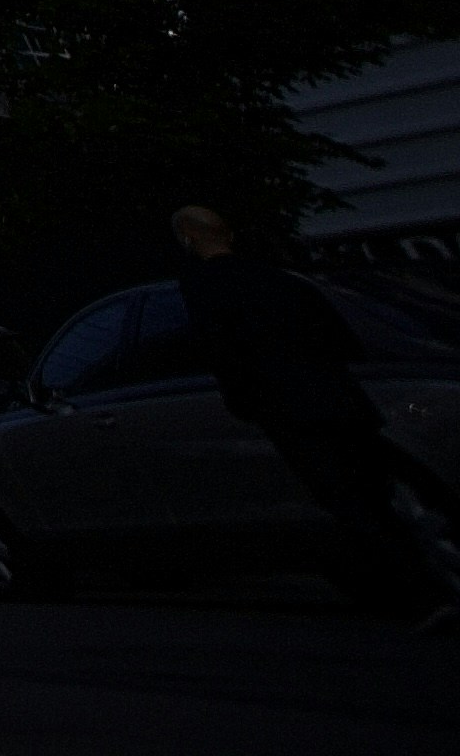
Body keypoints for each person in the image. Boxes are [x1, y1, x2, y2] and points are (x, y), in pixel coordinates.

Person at [171, 202, 443, 612]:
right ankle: (427, 577)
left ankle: (417, 593)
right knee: (379, 490)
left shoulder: (204, 288)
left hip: (289, 409)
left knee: (347, 501)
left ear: (188, 238)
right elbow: (340, 337)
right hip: (340, 398)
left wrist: (246, 400)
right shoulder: (280, 279)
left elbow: (221, 349)